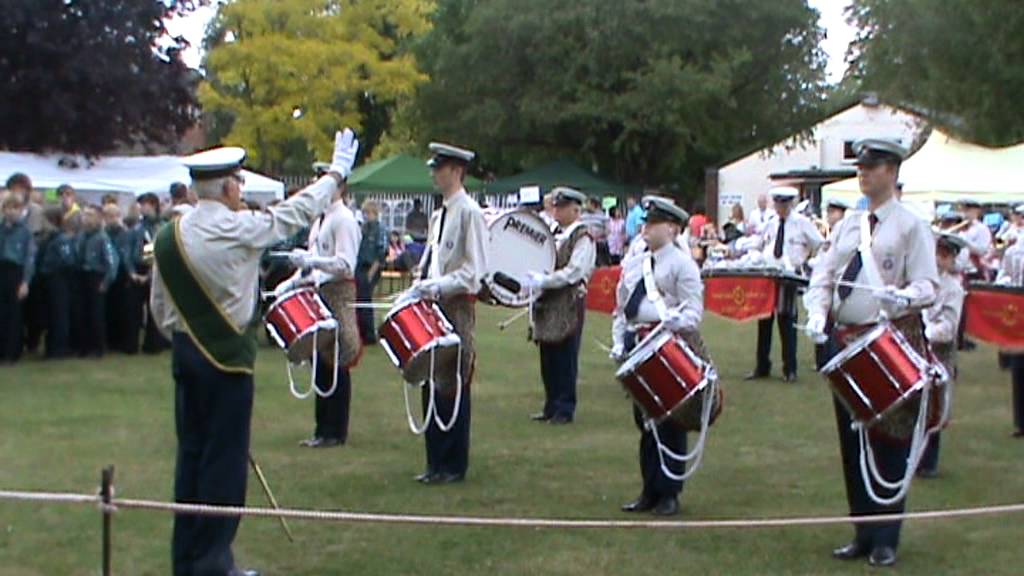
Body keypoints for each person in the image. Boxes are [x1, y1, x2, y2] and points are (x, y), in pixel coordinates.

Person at [150, 129, 359, 576]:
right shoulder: (237, 227)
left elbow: (160, 308)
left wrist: (184, 339)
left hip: (186, 354)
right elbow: (296, 211)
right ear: (227, 187)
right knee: (223, 465)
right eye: (238, 183)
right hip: (226, 361)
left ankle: (186, 558)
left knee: (190, 460)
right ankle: (212, 562)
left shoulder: (169, 235)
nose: (240, 190)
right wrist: (337, 172)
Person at [803, 138, 938, 568]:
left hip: (886, 341)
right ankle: (862, 530)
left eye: (873, 166)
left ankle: (886, 536)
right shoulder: (848, 224)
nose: (863, 173)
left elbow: (928, 286)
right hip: (845, 341)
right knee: (852, 439)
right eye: (860, 167)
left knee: (888, 438)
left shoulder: (911, 225)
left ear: (893, 172)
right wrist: (817, 312)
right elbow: (824, 273)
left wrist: (902, 297)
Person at [610, 196, 706, 516]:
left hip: (668, 349)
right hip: (639, 346)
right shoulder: (637, 262)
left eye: (653, 223)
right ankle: (649, 488)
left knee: (669, 422)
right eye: (646, 222)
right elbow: (622, 306)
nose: (645, 228)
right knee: (645, 422)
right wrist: (618, 342)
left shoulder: (682, 264)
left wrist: (675, 321)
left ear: (673, 228)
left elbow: (694, 312)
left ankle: (670, 492)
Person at [406, 142, 487, 485]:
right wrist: (421, 280)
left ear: (456, 171)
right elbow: (434, 258)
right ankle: (434, 459)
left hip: (457, 304)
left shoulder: (470, 212)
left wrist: (439, 285)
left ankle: (454, 463)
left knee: (454, 379)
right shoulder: (440, 214)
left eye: (439, 168)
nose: (434, 175)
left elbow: (476, 271)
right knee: (431, 376)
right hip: (435, 303)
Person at [274, 180, 362, 449]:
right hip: (318, 292)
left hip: (338, 292)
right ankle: (322, 427)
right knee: (319, 361)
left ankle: (336, 429)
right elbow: (313, 261)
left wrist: (312, 262)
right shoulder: (321, 220)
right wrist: (293, 280)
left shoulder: (344, 219)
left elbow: (346, 263)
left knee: (337, 360)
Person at [525, 187, 596, 425]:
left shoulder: (582, 236)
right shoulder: (555, 233)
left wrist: (545, 280)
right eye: (556, 206)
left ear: (575, 210)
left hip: (568, 300)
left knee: (565, 354)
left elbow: (575, 271)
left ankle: (565, 408)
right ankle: (551, 404)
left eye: (562, 207)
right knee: (548, 355)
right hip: (549, 301)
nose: (557, 211)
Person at [747, 186, 823, 382]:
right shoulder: (771, 223)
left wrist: (806, 263)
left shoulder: (802, 223)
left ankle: (790, 369)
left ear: (790, 204)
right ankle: (762, 366)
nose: (780, 207)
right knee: (764, 323)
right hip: (769, 276)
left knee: (787, 323)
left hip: (789, 277)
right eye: (777, 203)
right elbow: (759, 243)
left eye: (784, 204)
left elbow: (820, 245)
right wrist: (754, 254)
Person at [917, 232, 966, 478]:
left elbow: (948, 326)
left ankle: (929, 463)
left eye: (945, 255)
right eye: (937, 253)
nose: (939, 259)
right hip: (916, 352)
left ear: (952, 259)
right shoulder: (922, 280)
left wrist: (926, 332)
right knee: (914, 406)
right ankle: (913, 458)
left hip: (939, 355)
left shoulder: (953, 289)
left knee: (935, 409)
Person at [995, 214, 1024, 437]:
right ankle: (1021, 423)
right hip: (1019, 307)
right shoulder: (1016, 248)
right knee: (1019, 367)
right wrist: (1006, 287)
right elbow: (1004, 274)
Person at [77, 205, 119, 358]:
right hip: (83, 275)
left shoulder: (102, 237)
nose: (86, 218)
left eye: (90, 215)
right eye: (85, 215)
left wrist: (106, 281)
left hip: (97, 276)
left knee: (96, 314)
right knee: (83, 312)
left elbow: (112, 261)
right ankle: (84, 346)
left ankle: (98, 347)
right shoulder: (82, 235)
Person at [0, 193, 36, 364]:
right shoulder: (1, 229)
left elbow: (29, 258)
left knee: (14, 313)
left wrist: (25, 282)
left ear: (21, 210)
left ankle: (12, 352)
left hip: (16, 272)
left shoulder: (25, 232)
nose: (11, 212)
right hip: (2, 270)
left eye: (15, 208)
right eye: (8, 208)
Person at [138, 192, 170, 354]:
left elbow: (154, 246)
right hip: (142, 267)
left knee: (156, 306)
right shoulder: (141, 226)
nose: (141, 208)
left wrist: (151, 265)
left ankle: (157, 341)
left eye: (144, 204)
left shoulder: (160, 225)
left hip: (158, 267)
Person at [355, 199, 388, 343]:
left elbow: (382, 253)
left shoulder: (380, 229)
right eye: (364, 213)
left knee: (365, 299)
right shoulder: (363, 228)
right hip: (360, 266)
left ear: (375, 213)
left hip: (371, 268)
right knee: (359, 299)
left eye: (368, 213)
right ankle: (360, 331)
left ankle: (369, 334)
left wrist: (371, 272)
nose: (366, 216)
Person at [580, 196, 610, 266]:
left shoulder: (602, 216)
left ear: (593, 204)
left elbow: (608, 230)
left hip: (599, 244)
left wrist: (598, 235)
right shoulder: (582, 216)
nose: (586, 205)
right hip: (586, 244)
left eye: (588, 203)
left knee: (602, 264)